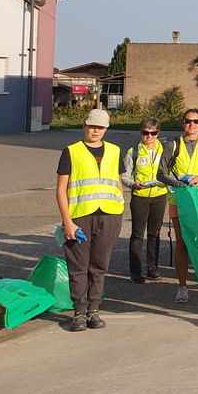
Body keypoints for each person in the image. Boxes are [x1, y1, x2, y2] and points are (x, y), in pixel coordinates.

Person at [55, 108, 124, 332]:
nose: (96, 131)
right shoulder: (71, 151)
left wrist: (120, 207)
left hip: (109, 215)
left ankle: (94, 309)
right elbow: (61, 189)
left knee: (99, 265)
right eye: (92, 126)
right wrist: (68, 222)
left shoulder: (114, 151)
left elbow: (117, 181)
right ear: (84, 126)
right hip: (80, 216)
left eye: (101, 127)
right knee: (78, 266)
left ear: (106, 129)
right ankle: (79, 311)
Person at [158, 108, 198, 304]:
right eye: (187, 121)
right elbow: (161, 173)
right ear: (183, 123)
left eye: (195, 121)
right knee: (182, 243)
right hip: (180, 200)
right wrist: (179, 183)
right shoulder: (173, 146)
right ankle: (182, 286)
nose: (191, 125)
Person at [122, 118, 168, 285]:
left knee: (154, 233)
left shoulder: (165, 151)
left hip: (159, 195)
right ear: (140, 132)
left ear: (158, 134)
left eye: (153, 133)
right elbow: (125, 175)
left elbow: (171, 171)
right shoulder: (133, 151)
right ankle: (135, 271)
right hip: (140, 196)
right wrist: (133, 184)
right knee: (137, 234)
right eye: (146, 133)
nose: (149, 136)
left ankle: (152, 268)